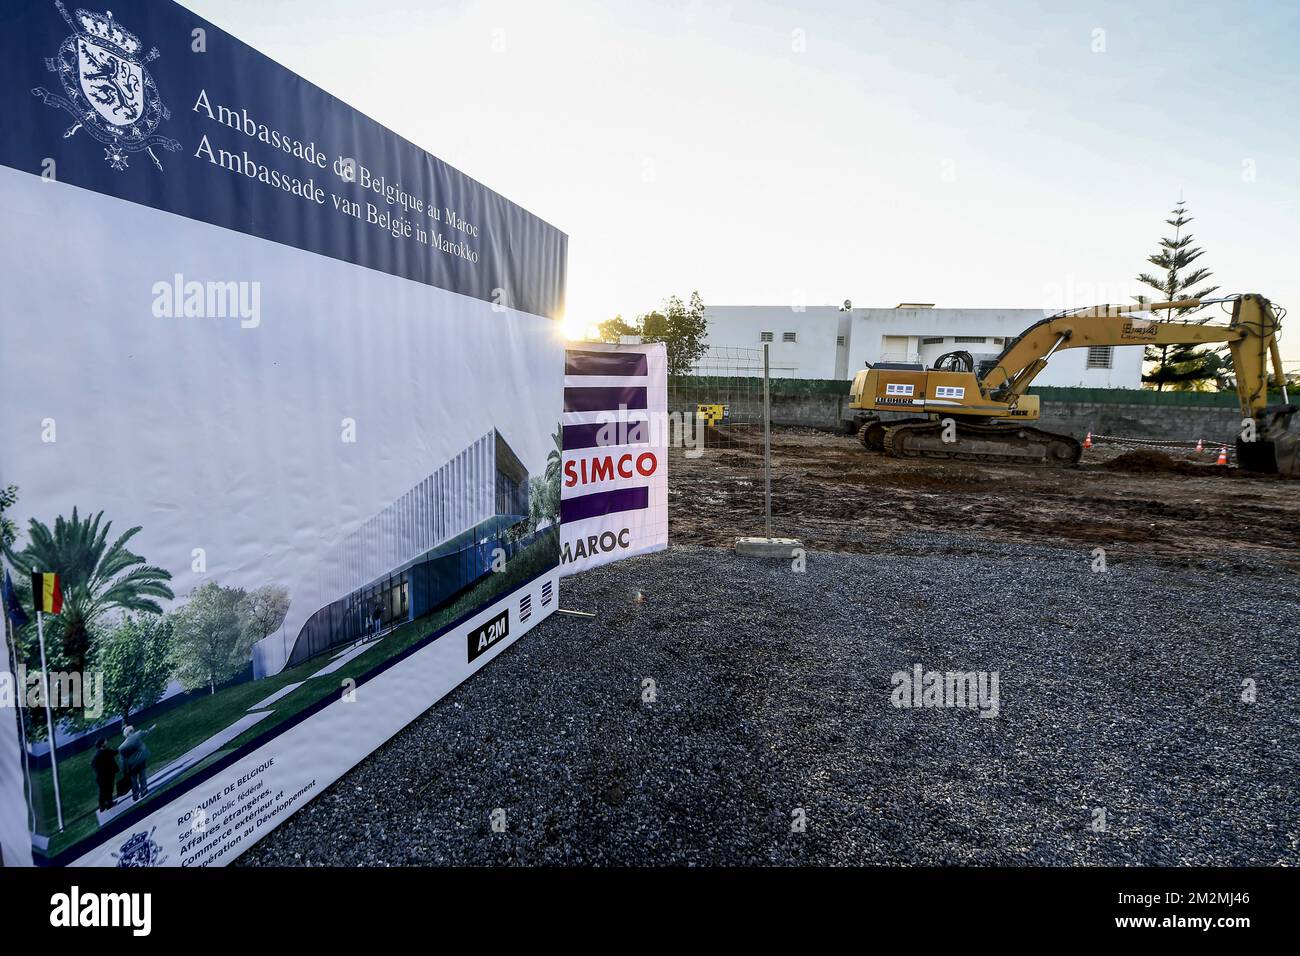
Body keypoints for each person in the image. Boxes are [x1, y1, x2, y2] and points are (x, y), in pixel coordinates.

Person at [118, 724, 156, 801]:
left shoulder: (121, 747)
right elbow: (147, 732)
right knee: (142, 776)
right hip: (141, 761)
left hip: (131, 765)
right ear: (131, 731)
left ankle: (135, 794)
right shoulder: (138, 734)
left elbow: (122, 760)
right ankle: (144, 790)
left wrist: (123, 769)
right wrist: (152, 728)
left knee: (133, 780)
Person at [90, 738, 119, 812]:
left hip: (109, 775)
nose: (107, 742)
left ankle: (109, 803)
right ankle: (102, 806)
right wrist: (101, 771)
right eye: (105, 741)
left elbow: (116, 752)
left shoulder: (107, 751)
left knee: (109, 790)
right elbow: (93, 764)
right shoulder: (99, 754)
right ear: (102, 744)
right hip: (103, 777)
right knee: (103, 792)